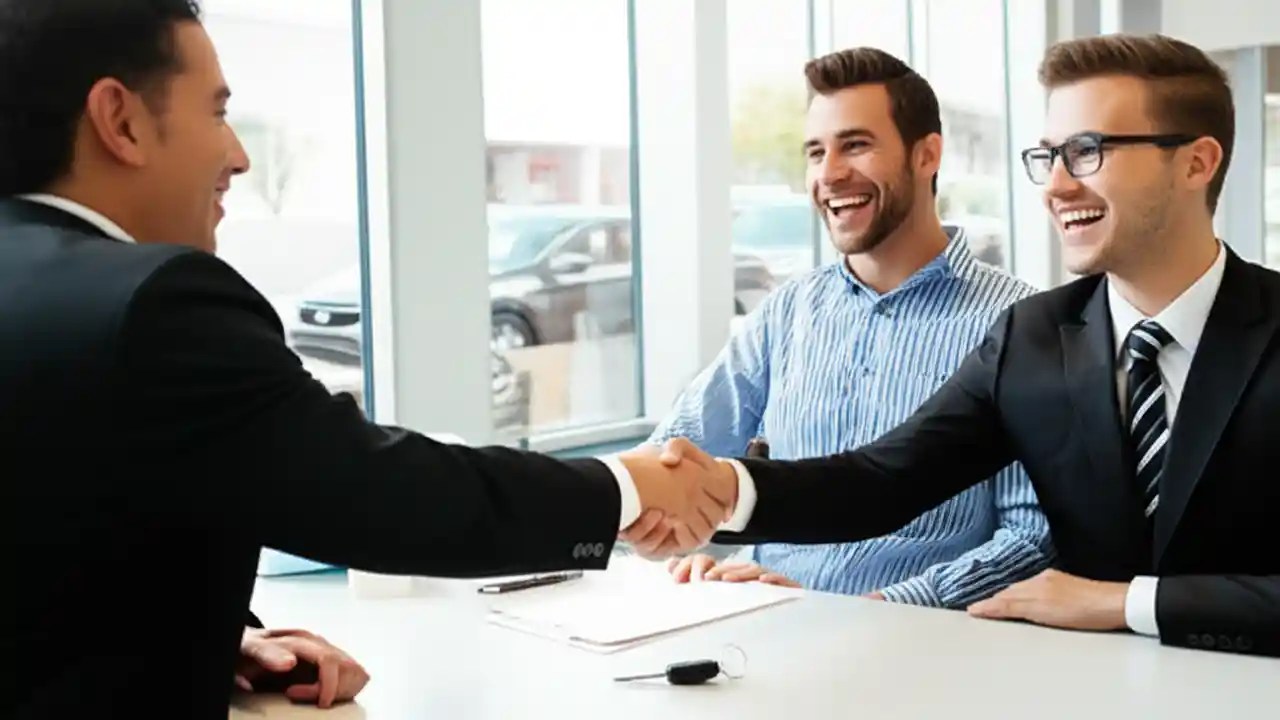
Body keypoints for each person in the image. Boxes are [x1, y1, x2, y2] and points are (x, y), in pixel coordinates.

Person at [0, 2, 735, 717]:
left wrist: (220, 638)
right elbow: (373, 490)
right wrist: (627, 490)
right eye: (217, 112)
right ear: (120, 120)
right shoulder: (151, 302)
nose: (238, 155)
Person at [634, 33, 1280, 658]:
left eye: (1088, 151)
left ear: (1197, 162)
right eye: (1047, 156)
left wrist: (1126, 604)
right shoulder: (1033, 337)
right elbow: (883, 480)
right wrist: (726, 486)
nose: (1055, 186)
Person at [632, 47, 1053, 607]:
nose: (829, 174)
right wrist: (697, 551)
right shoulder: (789, 312)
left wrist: (877, 607)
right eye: (815, 152)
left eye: (855, 145)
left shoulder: (1019, 323)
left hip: (915, 649)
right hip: (764, 620)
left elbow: (1029, 540)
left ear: (927, 154)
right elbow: (675, 453)